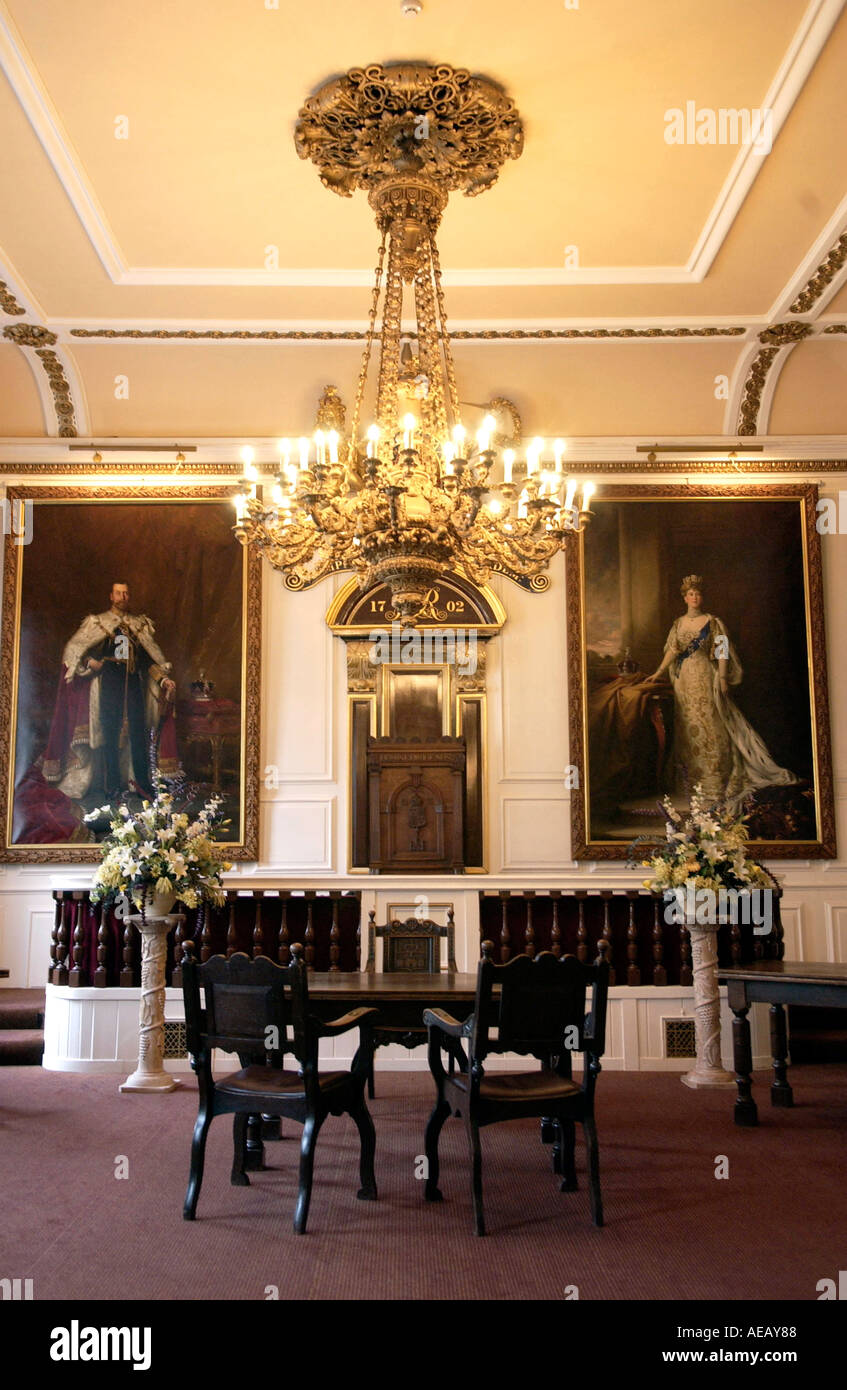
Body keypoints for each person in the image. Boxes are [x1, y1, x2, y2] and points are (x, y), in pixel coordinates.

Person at [645, 574, 798, 808]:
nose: (695, 598)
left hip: (707, 677)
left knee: (711, 726)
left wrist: (723, 677)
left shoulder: (713, 622)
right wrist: (658, 672)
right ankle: (691, 783)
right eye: (691, 594)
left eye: (698, 594)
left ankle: (715, 782)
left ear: (701, 597)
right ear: (685, 598)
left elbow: (722, 651)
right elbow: (673, 651)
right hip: (684, 681)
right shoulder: (678, 624)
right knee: (688, 728)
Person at [41, 582, 177, 803]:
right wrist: (89, 661)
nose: (123, 596)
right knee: (110, 736)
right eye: (118, 593)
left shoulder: (138, 625)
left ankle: (143, 785)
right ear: (111, 597)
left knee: (138, 736)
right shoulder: (99, 623)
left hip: (134, 686)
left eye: (126, 593)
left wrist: (164, 679)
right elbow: (78, 651)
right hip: (107, 686)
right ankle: (112, 786)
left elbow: (147, 662)